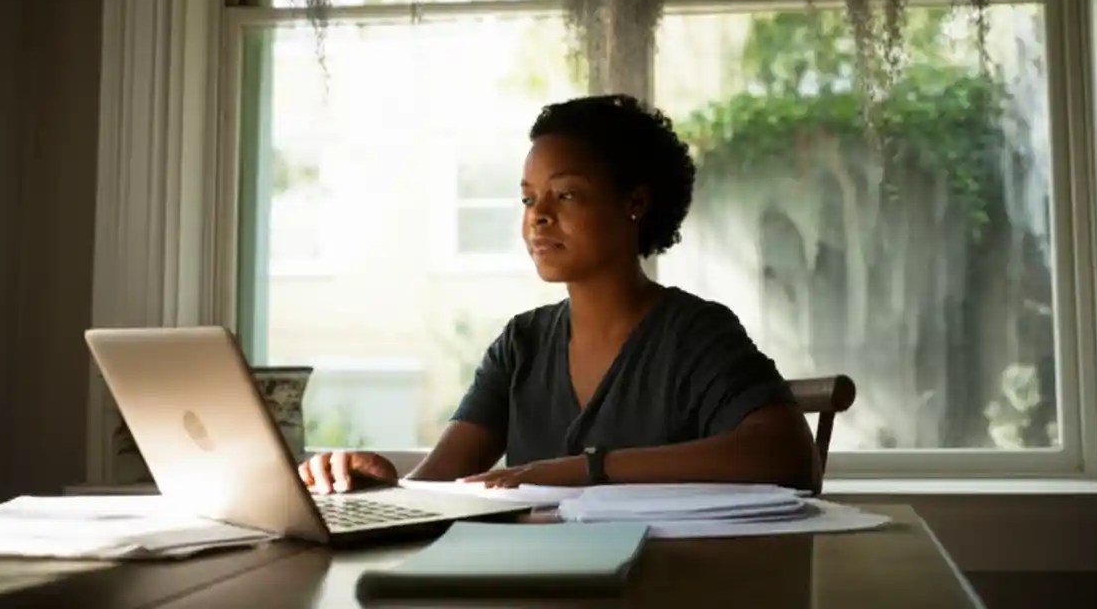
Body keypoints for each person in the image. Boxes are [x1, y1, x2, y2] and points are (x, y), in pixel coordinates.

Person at [298, 95, 820, 494]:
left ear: (634, 201)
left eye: (566, 194)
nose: (538, 215)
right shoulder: (521, 343)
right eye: (529, 197)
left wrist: (585, 469)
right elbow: (439, 484)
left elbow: (789, 456)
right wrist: (383, 487)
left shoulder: (694, 334)